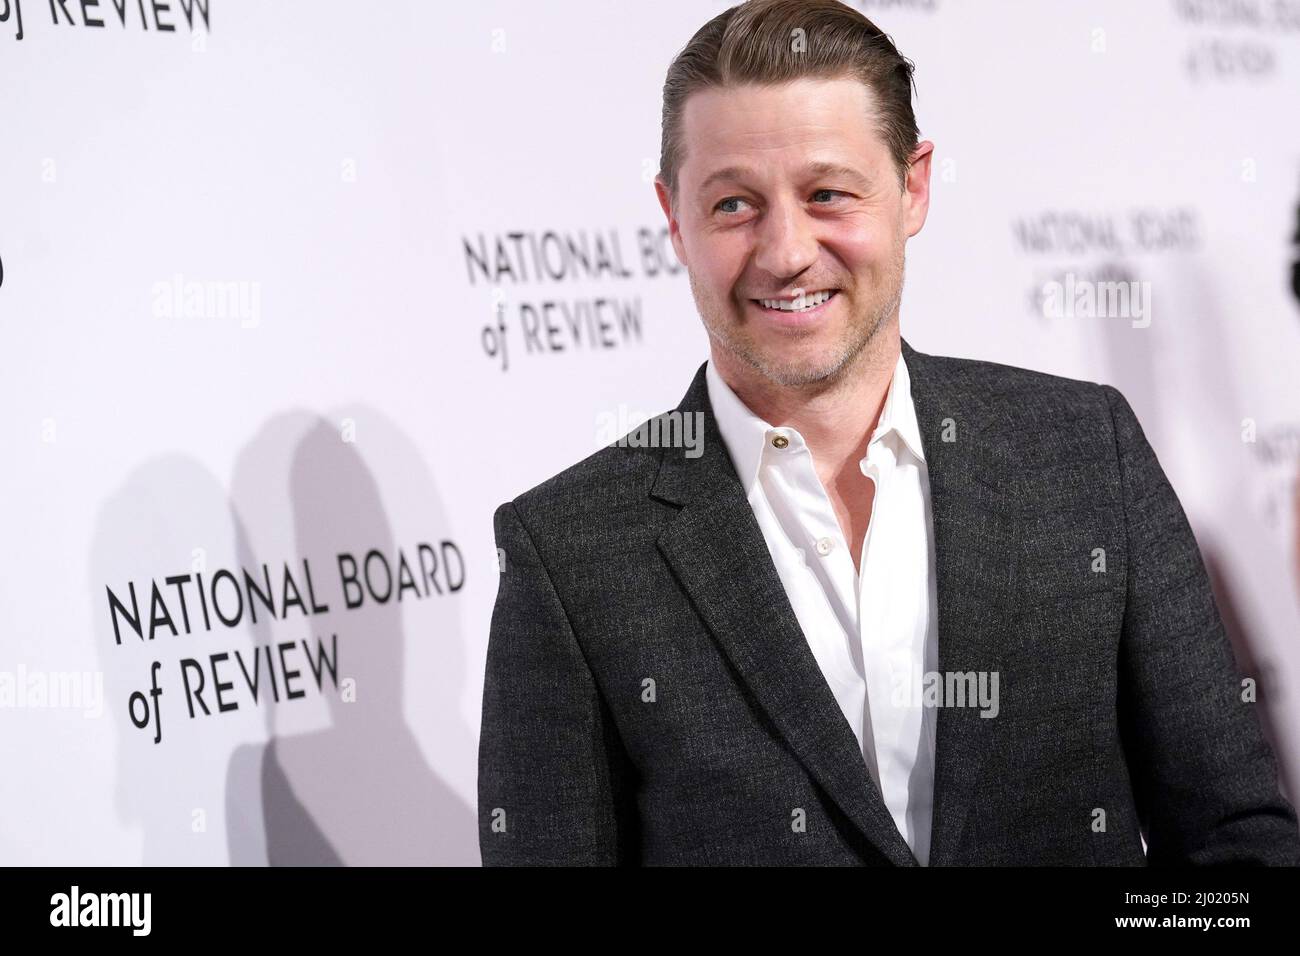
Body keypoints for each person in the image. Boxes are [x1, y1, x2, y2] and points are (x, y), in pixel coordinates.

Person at [477, 0, 1300, 865]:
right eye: (733, 205)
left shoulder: (1086, 454)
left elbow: (1234, 842)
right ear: (673, 218)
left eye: (827, 193)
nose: (787, 251)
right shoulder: (570, 552)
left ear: (914, 186)